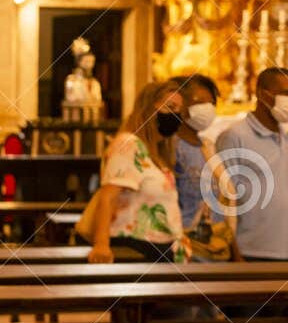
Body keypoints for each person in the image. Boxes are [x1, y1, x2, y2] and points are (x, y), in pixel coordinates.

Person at [86, 79, 187, 264]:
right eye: (169, 106)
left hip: (159, 250)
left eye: (179, 109)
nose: (175, 115)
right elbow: (108, 197)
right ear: (148, 109)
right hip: (135, 250)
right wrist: (101, 245)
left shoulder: (155, 153)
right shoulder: (128, 145)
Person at [216, 68, 288, 263]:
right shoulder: (235, 136)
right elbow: (223, 200)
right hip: (251, 252)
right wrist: (234, 253)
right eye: (285, 93)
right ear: (262, 94)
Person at [171, 74, 237, 263]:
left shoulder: (207, 146)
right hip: (186, 255)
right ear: (177, 103)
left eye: (211, 103)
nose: (207, 109)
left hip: (217, 250)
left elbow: (224, 206)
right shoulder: (172, 147)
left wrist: (235, 251)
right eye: (199, 102)